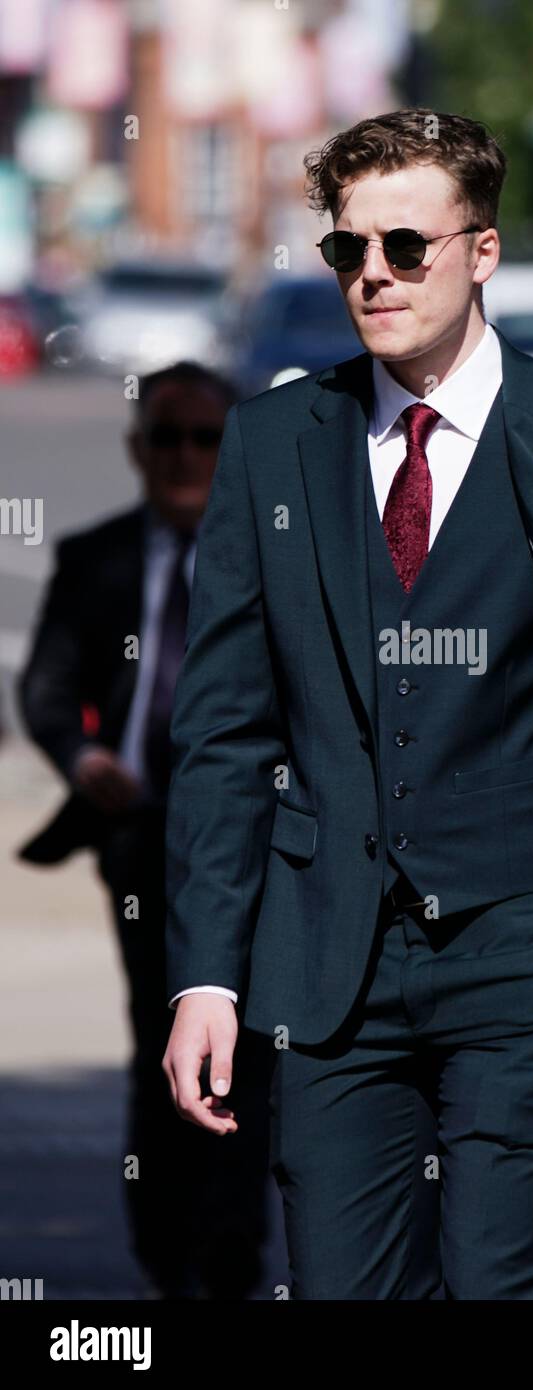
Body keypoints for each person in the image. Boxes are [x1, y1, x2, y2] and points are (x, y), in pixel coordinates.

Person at [162, 109, 533, 1300]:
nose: (373, 274)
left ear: (480, 252)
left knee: (498, 1289)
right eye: (348, 251)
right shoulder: (273, 442)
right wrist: (204, 976)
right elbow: (223, 735)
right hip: (327, 974)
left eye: (405, 246)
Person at [17, 362, 273, 1299]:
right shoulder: (98, 558)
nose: (184, 457)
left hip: (257, 845)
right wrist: (83, 759)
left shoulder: (278, 556)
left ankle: (234, 1249)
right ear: (137, 451)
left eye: (205, 438)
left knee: (253, 1049)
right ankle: (167, 1254)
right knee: (162, 1037)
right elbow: (45, 690)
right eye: (166, 438)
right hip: (141, 839)